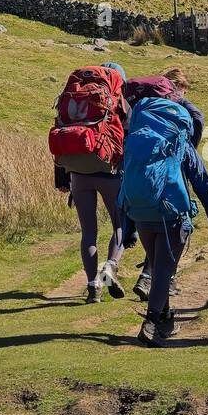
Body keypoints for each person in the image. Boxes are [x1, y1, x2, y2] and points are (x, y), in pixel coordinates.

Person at [118, 96, 208, 347]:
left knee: (158, 268)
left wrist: (127, 229)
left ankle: (165, 319)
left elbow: (127, 183)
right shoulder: (181, 144)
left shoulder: (134, 142)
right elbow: (205, 187)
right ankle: (152, 323)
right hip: (171, 216)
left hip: (140, 215)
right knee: (165, 271)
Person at [51, 62, 131, 303]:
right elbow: (127, 137)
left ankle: (92, 285)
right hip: (109, 171)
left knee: (89, 232)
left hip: (78, 173)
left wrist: (63, 177)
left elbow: (63, 134)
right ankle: (110, 267)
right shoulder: (118, 101)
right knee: (120, 225)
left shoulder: (74, 99)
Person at [123, 67, 205, 301]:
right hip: (171, 173)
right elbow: (197, 120)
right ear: (178, 88)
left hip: (138, 176)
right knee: (178, 226)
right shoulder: (179, 107)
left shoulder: (143, 107)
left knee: (154, 227)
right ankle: (156, 280)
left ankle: (156, 278)